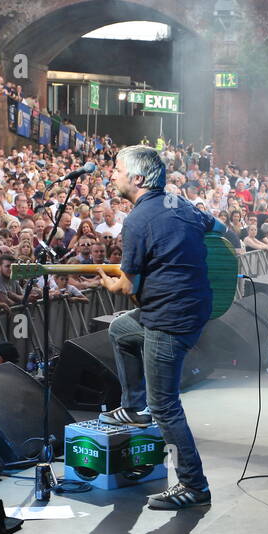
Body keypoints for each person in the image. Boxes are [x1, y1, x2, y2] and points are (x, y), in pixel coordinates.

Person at [97, 145, 212, 510]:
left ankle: (194, 486)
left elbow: (128, 286)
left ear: (137, 179)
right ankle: (134, 407)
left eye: (117, 170)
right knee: (121, 331)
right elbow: (220, 230)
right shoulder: (181, 204)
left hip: (168, 319)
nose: (111, 175)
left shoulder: (136, 221)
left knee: (165, 406)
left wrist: (111, 284)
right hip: (192, 310)